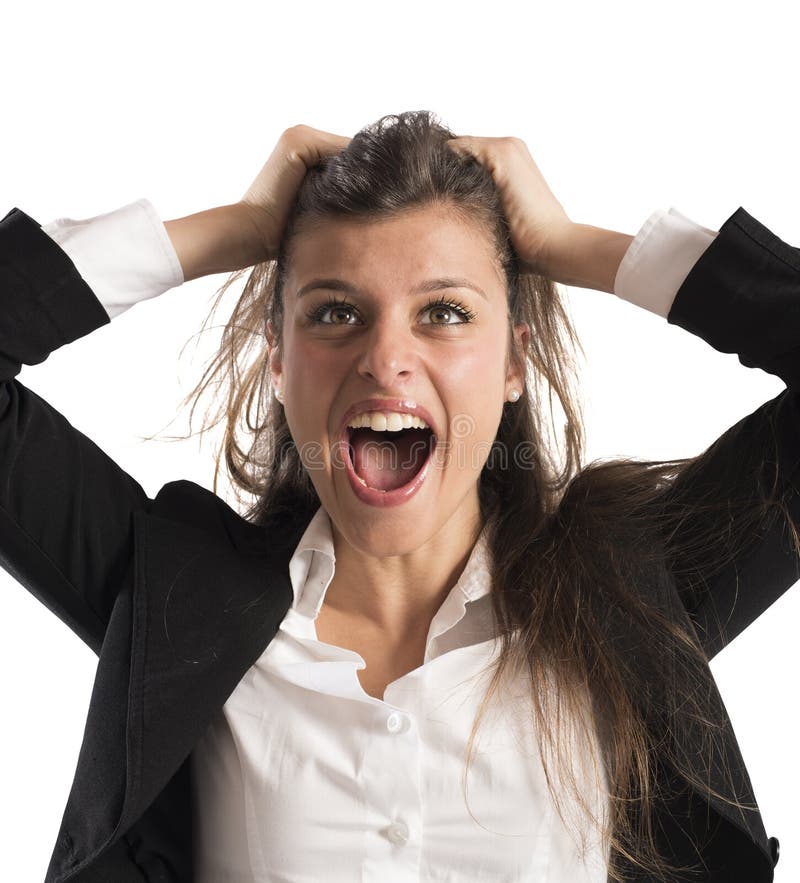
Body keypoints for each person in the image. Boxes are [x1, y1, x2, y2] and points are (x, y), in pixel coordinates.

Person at [1, 110, 795, 882]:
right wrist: (231, 229)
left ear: (514, 362)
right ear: (277, 358)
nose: (386, 358)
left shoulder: (631, 595)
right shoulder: (175, 599)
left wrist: (576, 247)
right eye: (335, 311)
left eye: (444, 312)